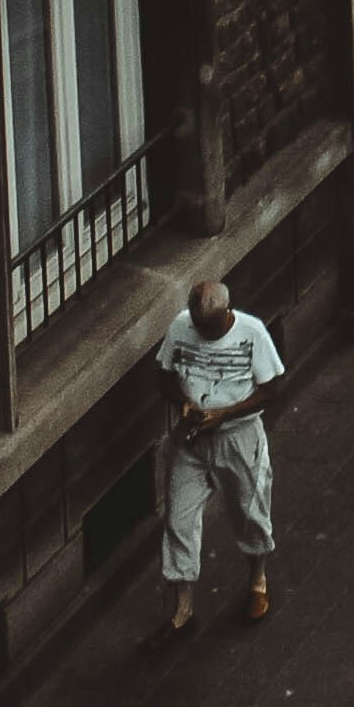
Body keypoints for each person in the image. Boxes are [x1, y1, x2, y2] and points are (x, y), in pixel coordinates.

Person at [155, 266, 284, 635]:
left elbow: (271, 387)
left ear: (228, 315)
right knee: (178, 519)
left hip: (238, 437)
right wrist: (183, 405)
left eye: (208, 328)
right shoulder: (181, 327)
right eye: (197, 326)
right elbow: (163, 375)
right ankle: (182, 610)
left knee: (249, 512)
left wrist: (225, 413)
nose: (200, 334)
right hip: (191, 438)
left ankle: (257, 581)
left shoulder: (252, 332)